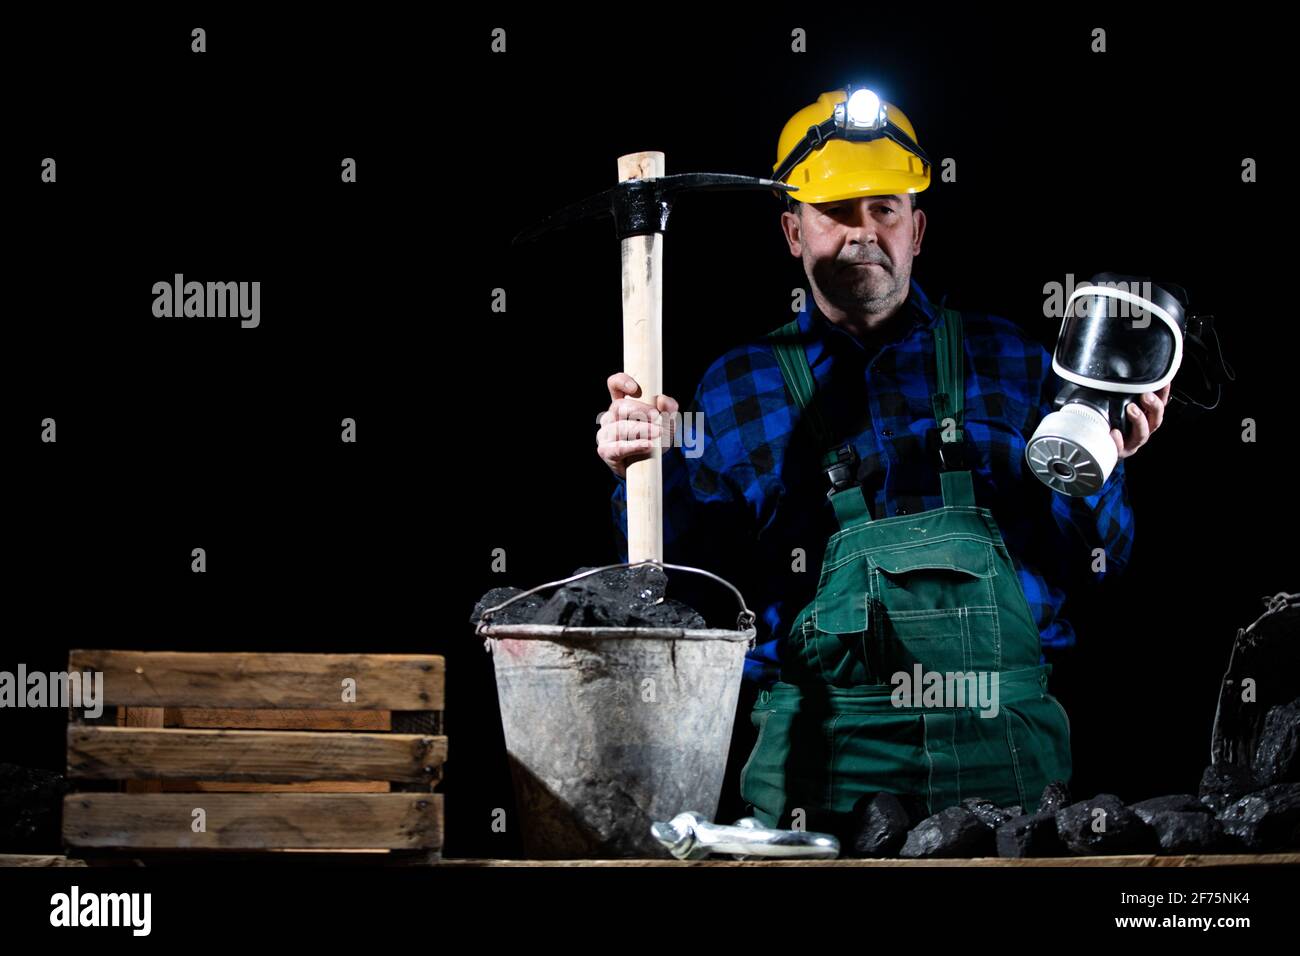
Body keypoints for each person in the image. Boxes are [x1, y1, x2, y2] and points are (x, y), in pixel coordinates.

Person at [596, 86, 1168, 834]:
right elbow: (687, 597)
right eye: (835, 211)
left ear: (918, 228)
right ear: (792, 233)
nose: (863, 231)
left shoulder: (1015, 363)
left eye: (884, 209)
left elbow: (1102, 564)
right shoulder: (735, 388)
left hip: (1009, 780)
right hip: (818, 783)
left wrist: (1103, 469)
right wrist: (646, 471)